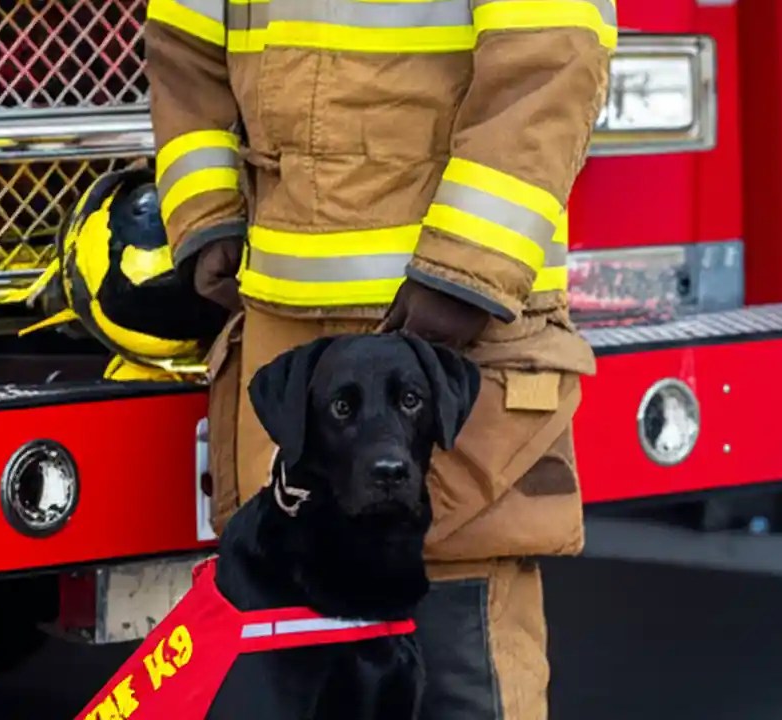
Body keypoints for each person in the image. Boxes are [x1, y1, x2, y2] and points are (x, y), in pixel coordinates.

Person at [143, 1, 614, 717]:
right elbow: (186, 44)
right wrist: (206, 211)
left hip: (457, 339)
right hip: (289, 348)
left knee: (458, 677)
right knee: (288, 677)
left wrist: (467, 268)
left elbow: (549, 56)